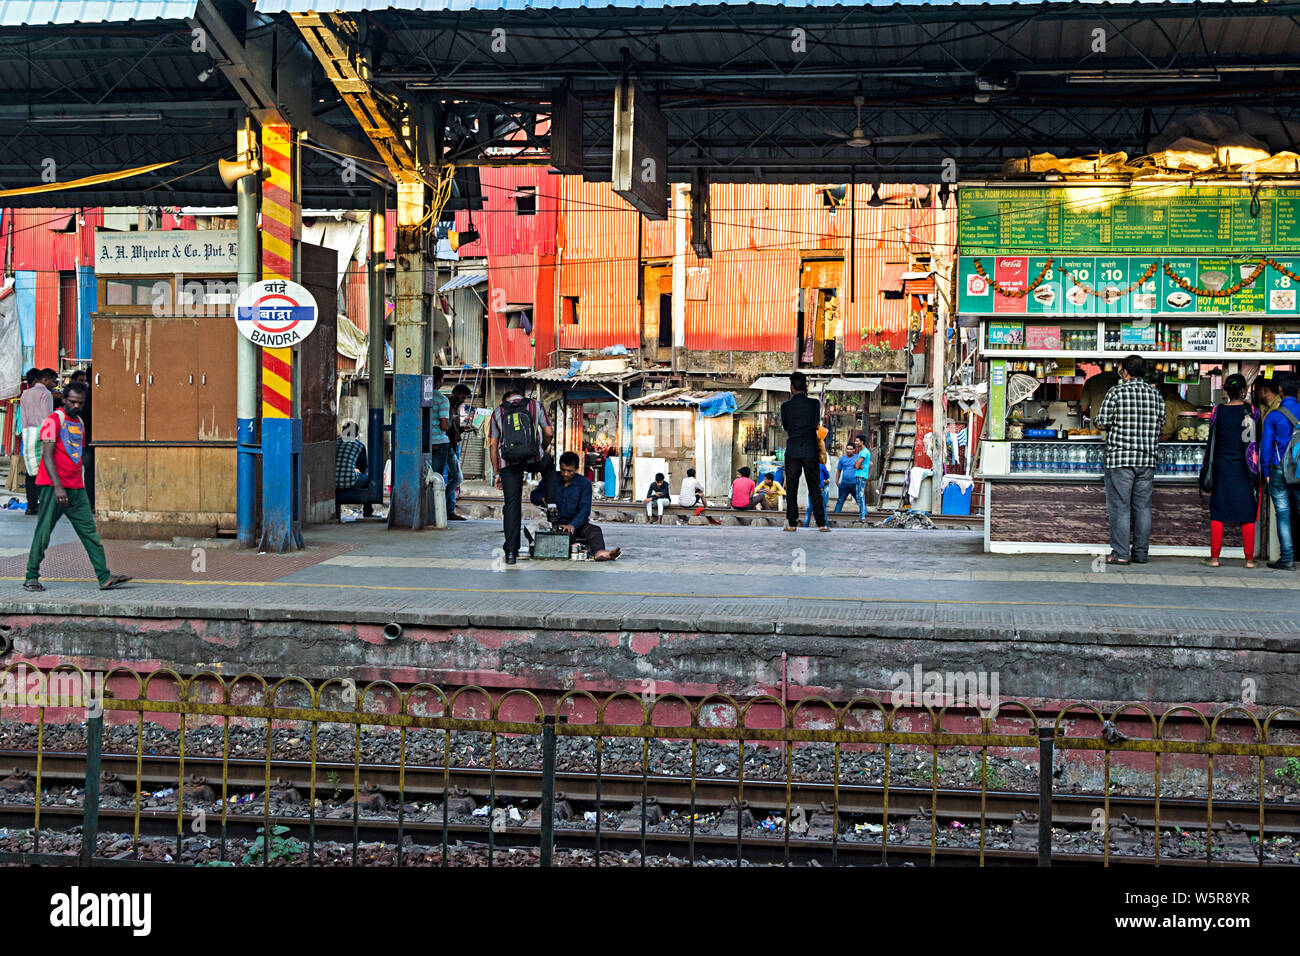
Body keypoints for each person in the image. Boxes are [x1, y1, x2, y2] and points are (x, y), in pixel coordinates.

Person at [23, 382, 130, 592]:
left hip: (76, 487)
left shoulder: (80, 422)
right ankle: (31, 577)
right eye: (72, 401)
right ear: (63, 400)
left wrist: (76, 484)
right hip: (52, 487)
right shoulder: (54, 420)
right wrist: (58, 487)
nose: (76, 406)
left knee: (90, 533)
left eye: (80, 403)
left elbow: (75, 456)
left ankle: (104, 577)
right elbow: (47, 455)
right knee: (43, 533)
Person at [1094, 354, 1164, 565]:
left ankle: (1121, 554)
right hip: (1147, 460)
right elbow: (1162, 424)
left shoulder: (1116, 392)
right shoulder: (1155, 395)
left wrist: (1099, 422)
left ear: (1124, 371)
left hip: (1120, 459)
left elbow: (1102, 422)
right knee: (1142, 508)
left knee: (1120, 507)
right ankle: (1141, 554)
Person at [489, 388, 555, 565]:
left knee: (512, 505)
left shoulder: (497, 412)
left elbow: (493, 445)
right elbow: (548, 433)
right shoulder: (535, 406)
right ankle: (553, 503)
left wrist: (496, 473)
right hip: (533, 457)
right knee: (549, 465)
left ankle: (511, 552)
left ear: (507, 398)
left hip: (508, 463)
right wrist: (541, 449)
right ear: (521, 395)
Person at [1201, 374, 1259, 568]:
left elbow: (1212, 438)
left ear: (1226, 391)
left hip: (1222, 467)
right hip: (1246, 468)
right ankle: (1249, 560)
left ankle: (1215, 558)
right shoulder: (1252, 411)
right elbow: (1253, 441)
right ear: (1243, 391)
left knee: (1218, 510)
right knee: (1247, 511)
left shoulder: (1218, 411)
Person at [530, 451, 620, 561]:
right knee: (533, 528)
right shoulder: (551, 479)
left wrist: (572, 525)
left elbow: (585, 509)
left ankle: (599, 552)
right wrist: (542, 499)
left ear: (576, 469)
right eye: (563, 470)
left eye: (569, 471)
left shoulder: (584, 483)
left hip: (577, 525)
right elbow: (534, 496)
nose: (565, 474)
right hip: (554, 524)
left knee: (595, 530)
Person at [779, 371, 829, 532]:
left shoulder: (785, 406)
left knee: (791, 487)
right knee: (814, 486)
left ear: (792, 387)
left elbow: (786, 427)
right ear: (805, 386)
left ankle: (792, 523)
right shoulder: (814, 404)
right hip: (810, 450)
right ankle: (821, 523)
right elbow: (816, 423)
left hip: (793, 449)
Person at [1260, 374, 1300, 570]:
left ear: (1281, 391)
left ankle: (1288, 558)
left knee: (1283, 514)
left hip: (1279, 469)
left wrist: (1265, 470)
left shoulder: (1274, 416)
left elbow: (1266, 447)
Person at [19, 368, 54, 515]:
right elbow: (48, 417)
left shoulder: (25, 394)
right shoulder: (46, 393)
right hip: (42, 432)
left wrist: (25, 433)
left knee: (31, 470)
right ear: (45, 380)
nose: (53, 384)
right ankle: (44, 504)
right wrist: (51, 438)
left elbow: (23, 416)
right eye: (53, 381)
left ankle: (31, 505)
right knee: (45, 469)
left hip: (28, 433)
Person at [445, 383, 472, 520]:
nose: (463, 400)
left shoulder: (455, 408)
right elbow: (445, 426)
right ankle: (441, 500)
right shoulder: (446, 405)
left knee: (453, 478)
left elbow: (453, 427)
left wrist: (463, 429)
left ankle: (449, 510)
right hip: (447, 446)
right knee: (456, 478)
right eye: (462, 397)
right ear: (455, 393)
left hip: (454, 445)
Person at [428, 367, 452, 484]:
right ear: (440, 380)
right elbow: (443, 426)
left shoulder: (421, 397)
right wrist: (449, 424)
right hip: (439, 442)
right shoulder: (442, 400)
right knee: (437, 479)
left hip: (424, 442)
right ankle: (435, 502)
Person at [803, 457, 831, 527]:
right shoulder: (822, 466)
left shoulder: (809, 466)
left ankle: (806, 525)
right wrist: (823, 480)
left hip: (812, 489)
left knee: (810, 508)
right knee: (823, 508)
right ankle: (826, 525)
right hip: (820, 489)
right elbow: (827, 476)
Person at [833, 443, 859, 516]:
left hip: (855, 483)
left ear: (854, 450)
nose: (849, 451)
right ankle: (836, 516)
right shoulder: (842, 459)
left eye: (851, 449)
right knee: (840, 501)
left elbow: (867, 465)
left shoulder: (858, 457)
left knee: (860, 501)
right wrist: (837, 481)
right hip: (844, 484)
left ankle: (864, 515)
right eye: (847, 449)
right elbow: (839, 471)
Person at [850, 432, 870, 520]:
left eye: (857, 441)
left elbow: (857, 465)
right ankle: (862, 515)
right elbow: (855, 465)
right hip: (860, 475)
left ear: (862, 442)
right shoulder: (861, 452)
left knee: (860, 496)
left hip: (861, 476)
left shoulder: (864, 452)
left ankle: (862, 516)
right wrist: (858, 465)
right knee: (860, 496)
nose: (855, 442)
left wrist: (859, 466)